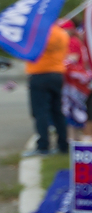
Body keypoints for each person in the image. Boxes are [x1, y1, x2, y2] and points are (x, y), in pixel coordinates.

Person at [23, 20, 71, 158]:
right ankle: (63, 144)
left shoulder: (38, 34)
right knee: (57, 111)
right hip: (57, 73)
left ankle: (43, 145)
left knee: (40, 112)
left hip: (39, 73)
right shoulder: (62, 34)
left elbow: (27, 50)